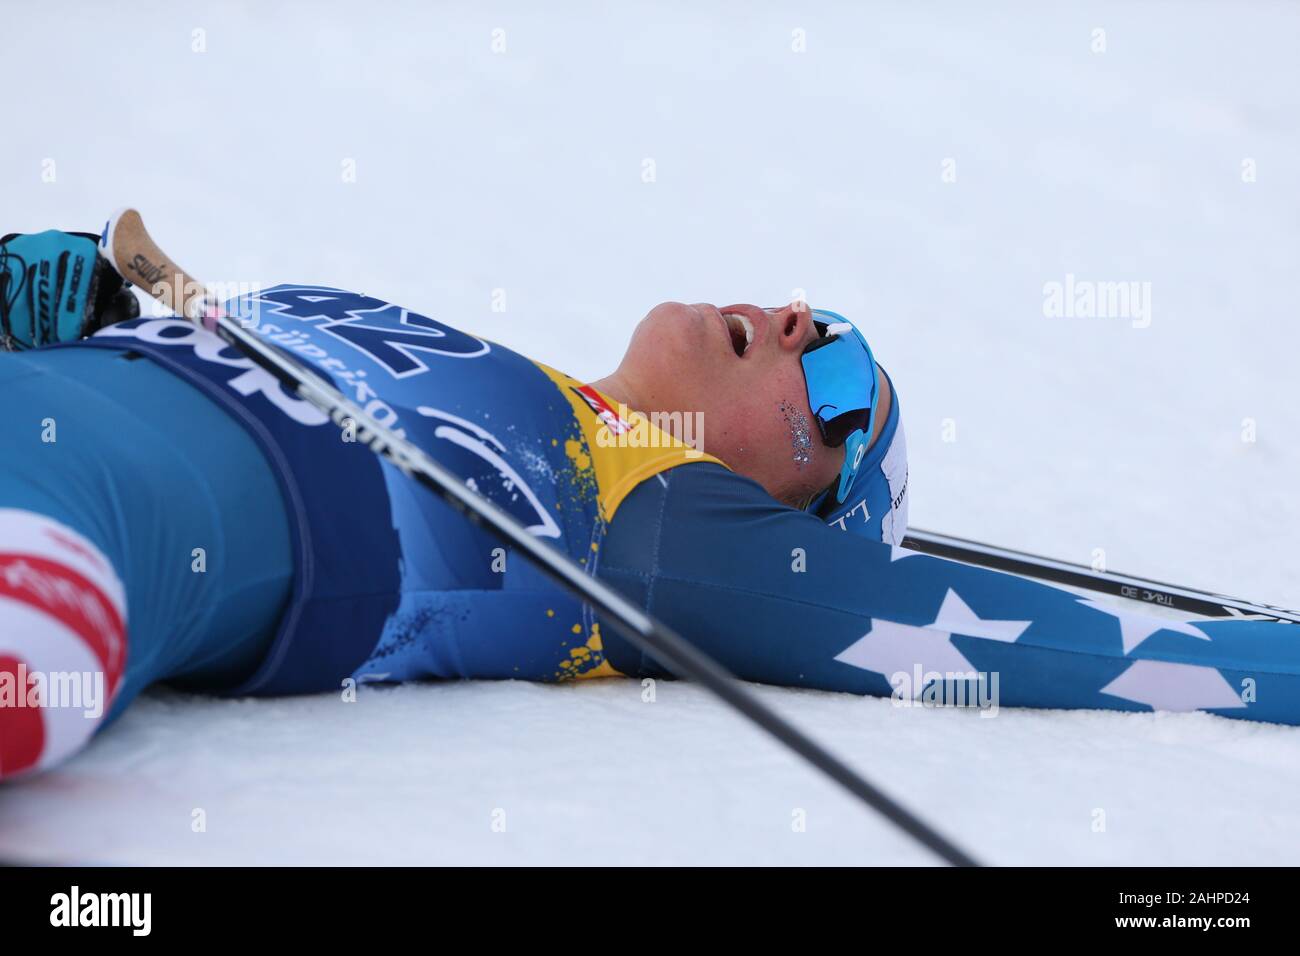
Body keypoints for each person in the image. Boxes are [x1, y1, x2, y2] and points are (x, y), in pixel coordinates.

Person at [2, 228, 1296, 780]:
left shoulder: (660, 529)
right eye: (822, 322)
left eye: (834, 374)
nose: (798, 318)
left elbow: (1053, 644)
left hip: (90, 528)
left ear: (789, 513)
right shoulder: (512, 377)